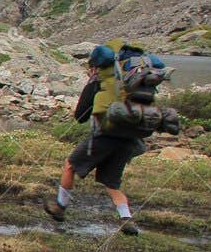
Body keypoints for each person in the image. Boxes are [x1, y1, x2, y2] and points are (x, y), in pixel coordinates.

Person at [44, 44, 148, 236]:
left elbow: (80, 116)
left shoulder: (98, 83)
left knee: (70, 165)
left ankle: (60, 207)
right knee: (112, 183)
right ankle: (126, 219)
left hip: (104, 137)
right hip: (128, 140)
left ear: (95, 66)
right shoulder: (127, 83)